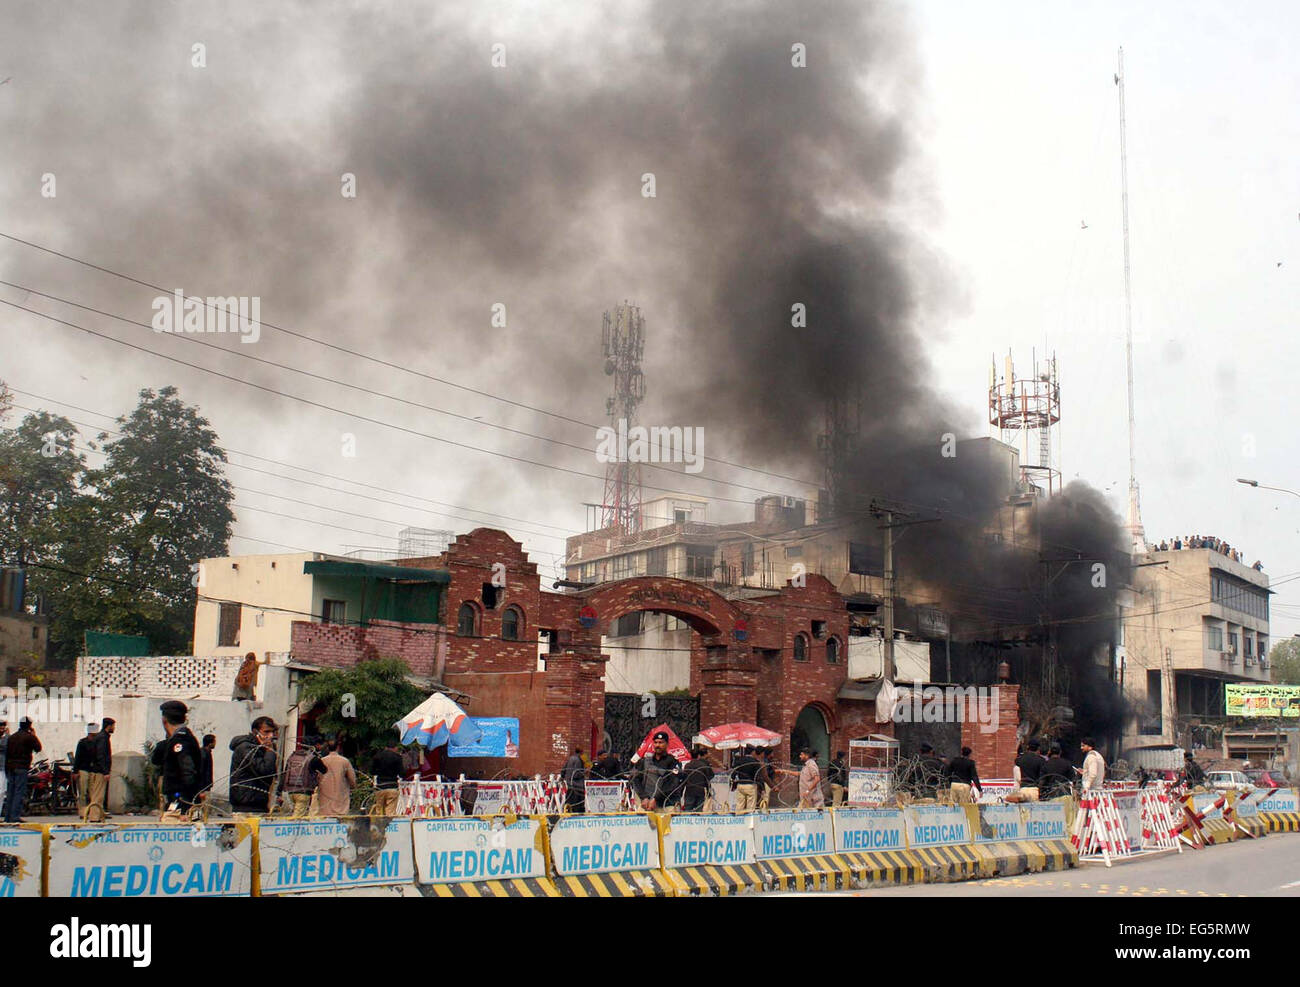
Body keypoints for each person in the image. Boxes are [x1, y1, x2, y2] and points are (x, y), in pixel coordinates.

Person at [152, 701, 204, 821]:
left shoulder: (180, 741)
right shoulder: (184, 739)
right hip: (180, 799)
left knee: (170, 833)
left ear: (164, 720)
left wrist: (186, 805)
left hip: (181, 803)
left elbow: (188, 771)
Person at [229, 716, 279, 814]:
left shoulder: (260, 748)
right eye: (266, 732)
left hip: (258, 801)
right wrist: (270, 750)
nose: (270, 736)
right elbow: (265, 771)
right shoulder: (246, 748)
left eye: (272, 732)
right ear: (256, 732)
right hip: (247, 804)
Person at [631, 731, 681, 811]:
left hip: (666, 805)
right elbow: (636, 780)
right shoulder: (645, 761)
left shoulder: (673, 762)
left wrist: (655, 799)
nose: (657, 745)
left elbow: (672, 784)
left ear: (667, 744)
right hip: (647, 804)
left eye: (661, 742)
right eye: (656, 742)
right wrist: (644, 797)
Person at [3, 717, 41, 823]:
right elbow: (38, 748)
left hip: (10, 767)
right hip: (22, 767)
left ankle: (8, 816)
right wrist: (34, 735)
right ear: (29, 726)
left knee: (11, 792)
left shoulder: (12, 737)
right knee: (19, 792)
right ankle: (15, 816)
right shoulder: (29, 737)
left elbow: (7, 754)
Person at [281, 736, 328, 818]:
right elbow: (324, 770)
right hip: (303, 792)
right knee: (297, 818)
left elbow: (285, 773)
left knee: (290, 815)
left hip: (289, 791)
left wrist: (279, 791)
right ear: (312, 746)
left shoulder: (292, 756)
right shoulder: (313, 759)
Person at [317, 738, 358, 816]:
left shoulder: (322, 761)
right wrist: (353, 786)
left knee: (325, 812)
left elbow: (317, 777)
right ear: (338, 747)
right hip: (340, 794)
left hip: (324, 794)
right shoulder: (344, 761)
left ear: (328, 748)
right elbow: (352, 778)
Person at [86, 718, 114, 822]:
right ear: (109, 726)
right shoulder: (103, 738)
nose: (114, 728)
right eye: (113, 726)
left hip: (96, 769)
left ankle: (98, 816)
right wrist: (105, 771)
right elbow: (101, 755)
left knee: (97, 795)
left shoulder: (100, 737)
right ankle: (94, 817)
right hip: (100, 771)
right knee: (98, 796)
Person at [370, 740, 404, 816]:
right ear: (395, 748)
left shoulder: (377, 757)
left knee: (379, 811)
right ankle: (389, 826)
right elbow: (402, 773)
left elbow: (372, 771)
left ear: (386, 747)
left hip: (380, 787)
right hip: (392, 787)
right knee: (390, 812)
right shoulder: (397, 757)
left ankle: (378, 826)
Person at [73, 722, 98, 819]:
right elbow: (78, 757)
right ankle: (82, 812)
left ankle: (92, 811)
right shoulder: (82, 742)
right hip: (83, 768)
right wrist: (75, 771)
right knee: (82, 792)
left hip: (93, 769)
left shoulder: (97, 742)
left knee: (93, 792)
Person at [680, 745, 714, 812]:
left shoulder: (687, 765)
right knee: (699, 811)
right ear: (698, 755)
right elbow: (709, 777)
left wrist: (681, 791)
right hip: (700, 791)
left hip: (689, 791)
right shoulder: (703, 765)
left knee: (687, 811)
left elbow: (684, 780)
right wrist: (708, 791)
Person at [729, 745, 760, 813]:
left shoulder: (740, 761)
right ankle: (749, 821)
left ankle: (739, 819)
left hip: (740, 784)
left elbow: (734, 772)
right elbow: (758, 775)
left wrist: (733, 783)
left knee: (739, 805)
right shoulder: (755, 761)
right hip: (750, 784)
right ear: (753, 752)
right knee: (750, 806)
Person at [562, 746, 586, 813]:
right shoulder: (578, 760)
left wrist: (564, 778)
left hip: (569, 784)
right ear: (582, 752)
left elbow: (563, 770)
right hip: (577, 786)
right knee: (577, 806)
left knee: (569, 804)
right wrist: (585, 772)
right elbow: (576, 774)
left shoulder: (570, 758)